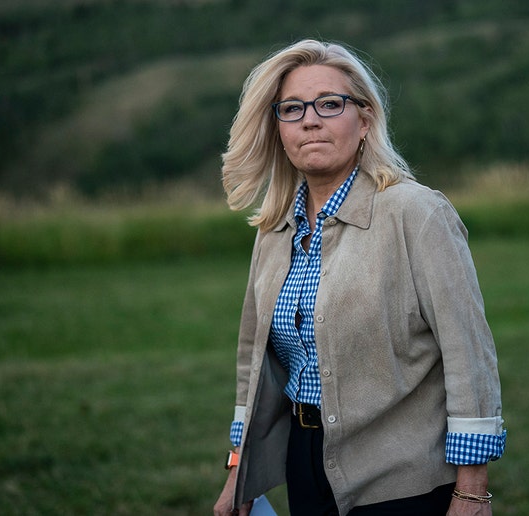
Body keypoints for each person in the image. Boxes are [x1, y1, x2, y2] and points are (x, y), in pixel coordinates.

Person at [213, 39, 506, 516]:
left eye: (330, 104)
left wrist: (472, 492)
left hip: (405, 478)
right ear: (279, 128)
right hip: (303, 467)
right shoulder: (274, 230)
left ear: (364, 120)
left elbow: (468, 355)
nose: (310, 120)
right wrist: (238, 474)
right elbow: (255, 365)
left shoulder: (417, 213)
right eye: (292, 109)